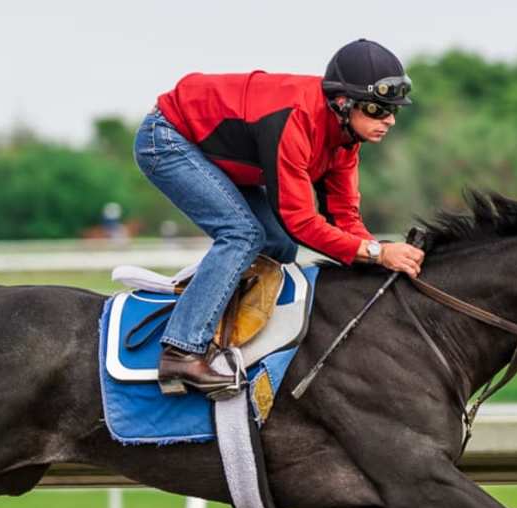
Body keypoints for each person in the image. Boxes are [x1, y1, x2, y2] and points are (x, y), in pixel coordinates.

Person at [134, 38, 425, 397]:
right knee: (242, 235)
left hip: (216, 152)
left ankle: (230, 337)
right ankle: (181, 350)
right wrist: (378, 253)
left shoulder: (345, 140)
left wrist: (377, 257)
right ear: (342, 102)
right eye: (378, 109)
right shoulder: (295, 121)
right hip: (168, 138)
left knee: (280, 246)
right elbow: (301, 221)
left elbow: (343, 217)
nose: (390, 120)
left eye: (392, 110)